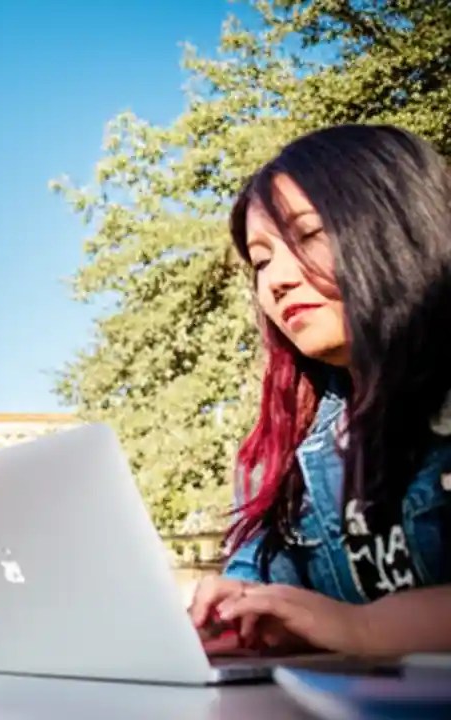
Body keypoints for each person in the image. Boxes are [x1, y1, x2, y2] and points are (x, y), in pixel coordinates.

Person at [188, 124, 451, 658]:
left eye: (307, 235)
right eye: (261, 262)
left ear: (398, 224)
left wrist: (364, 629)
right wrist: (236, 617)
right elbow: (257, 591)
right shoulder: (278, 458)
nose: (276, 280)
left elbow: (351, 628)